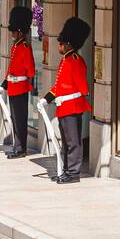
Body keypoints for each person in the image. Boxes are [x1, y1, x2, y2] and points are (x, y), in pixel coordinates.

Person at [44, 17, 91, 184]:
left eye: (62, 43)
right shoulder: (66, 60)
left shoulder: (76, 61)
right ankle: (66, 170)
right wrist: (46, 99)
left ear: (70, 44)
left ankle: (73, 172)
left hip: (72, 106)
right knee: (66, 142)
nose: (59, 46)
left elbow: (82, 88)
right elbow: (59, 86)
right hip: (64, 107)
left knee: (73, 142)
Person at [3, 5, 35, 158]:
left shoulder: (24, 47)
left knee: (20, 120)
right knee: (15, 119)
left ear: (20, 31)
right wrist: (5, 83)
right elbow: (11, 68)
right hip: (13, 87)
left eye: (14, 30)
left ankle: (21, 148)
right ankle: (17, 145)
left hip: (21, 87)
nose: (12, 33)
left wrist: (18, 78)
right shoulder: (16, 46)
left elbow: (31, 71)